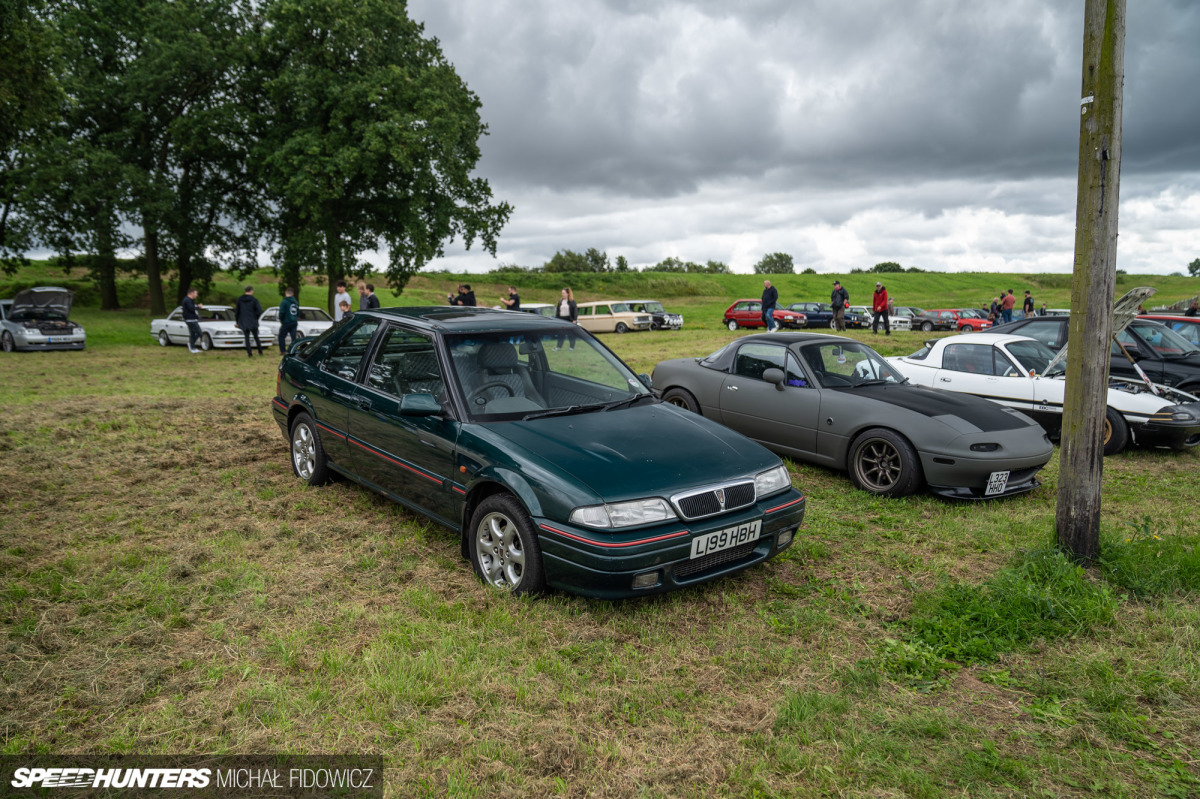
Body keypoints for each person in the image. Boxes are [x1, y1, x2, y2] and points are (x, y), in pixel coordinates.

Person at [234, 285, 264, 357]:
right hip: (253, 320)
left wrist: (238, 321)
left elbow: (237, 311)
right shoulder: (254, 300)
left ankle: (249, 353)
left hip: (244, 321)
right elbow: (259, 311)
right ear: (251, 291)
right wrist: (256, 317)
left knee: (246, 337)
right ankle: (260, 351)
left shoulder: (240, 300)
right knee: (256, 336)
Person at [278, 287, 300, 354]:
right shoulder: (295, 302)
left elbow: (282, 312)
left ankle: (283, 351)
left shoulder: (284, 302)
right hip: (294, 321)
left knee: (281, 336)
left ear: (285, 293)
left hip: (286, 321)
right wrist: (296, 318)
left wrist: (281, 319)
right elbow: (298, 311)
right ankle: (294, 350)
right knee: (293, 337)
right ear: (293, 294)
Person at [182, 287, 204, 353]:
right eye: (196, 293)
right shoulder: (187, 300)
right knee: (199, 332)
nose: (197, 295)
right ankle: (191, 344)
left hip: (192, 319)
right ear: (191, 293)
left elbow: (192, 308)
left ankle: (193, 348)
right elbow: (191, 309)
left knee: (193, 333)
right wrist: (198, 307)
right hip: (190, 319)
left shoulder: (190, 300)